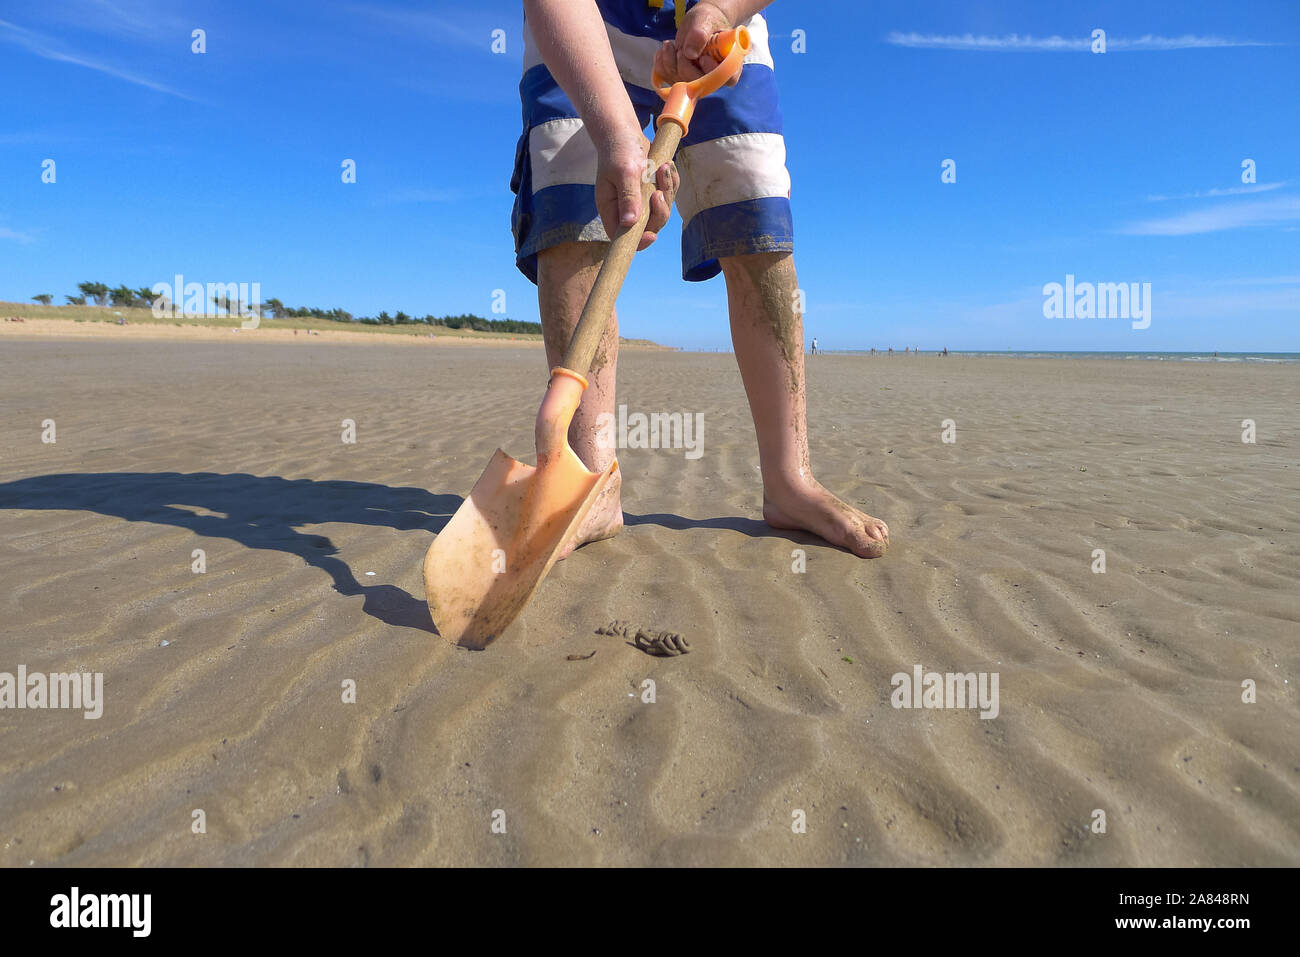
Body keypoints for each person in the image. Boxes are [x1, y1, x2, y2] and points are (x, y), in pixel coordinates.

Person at [515, 0, 888, 559]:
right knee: (570, 212)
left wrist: (718, 9)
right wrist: (618, 137)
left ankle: (790, 480)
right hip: (586, 21)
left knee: (753, 209)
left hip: (719, 30)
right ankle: (591, 480)